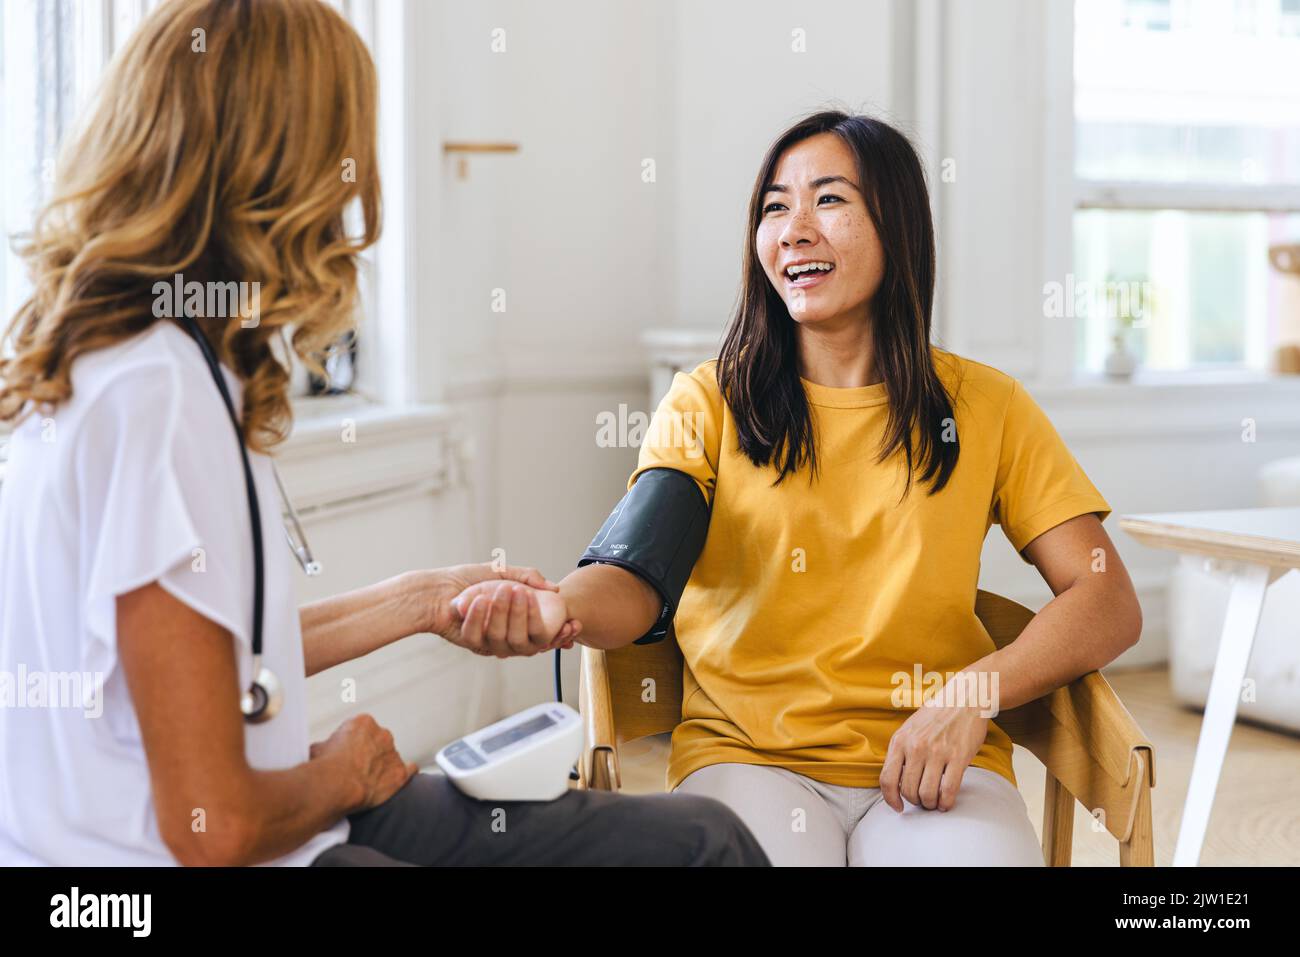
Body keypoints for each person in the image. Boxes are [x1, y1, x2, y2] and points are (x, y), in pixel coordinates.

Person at [0, 0, 766, 868]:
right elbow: (216, 822)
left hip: (267, 823)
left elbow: (208, 653)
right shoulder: (154, 400)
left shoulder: (137, 366)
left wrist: (422, 600)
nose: (352, 191)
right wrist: (343, 774)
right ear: (281, 168)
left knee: (705, 838)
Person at [453, 111, 1144, 867]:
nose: (794, 229)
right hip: (747, 758)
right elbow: (634, 576)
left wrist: (973, 693)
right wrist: (555, 606)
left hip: (934, 764)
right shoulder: (706, 402)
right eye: (775, 206)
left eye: (830, 200)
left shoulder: (987, 406)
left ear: (899, 225)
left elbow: (1106, 596)